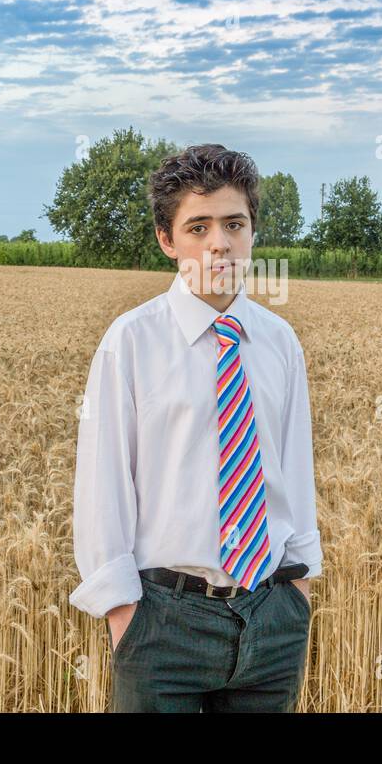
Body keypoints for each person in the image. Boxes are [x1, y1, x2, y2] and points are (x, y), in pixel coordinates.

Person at [69, 143, 322, 712]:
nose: (219, 243)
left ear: (253, 231)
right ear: (167, 240)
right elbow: (103, 484)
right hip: (164, 620)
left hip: (271, 614)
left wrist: (299, 593)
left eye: (234, 223)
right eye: (198, 226)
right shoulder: (131, 342)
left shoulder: (279, 342)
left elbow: (294, 471)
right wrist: (125, 616)